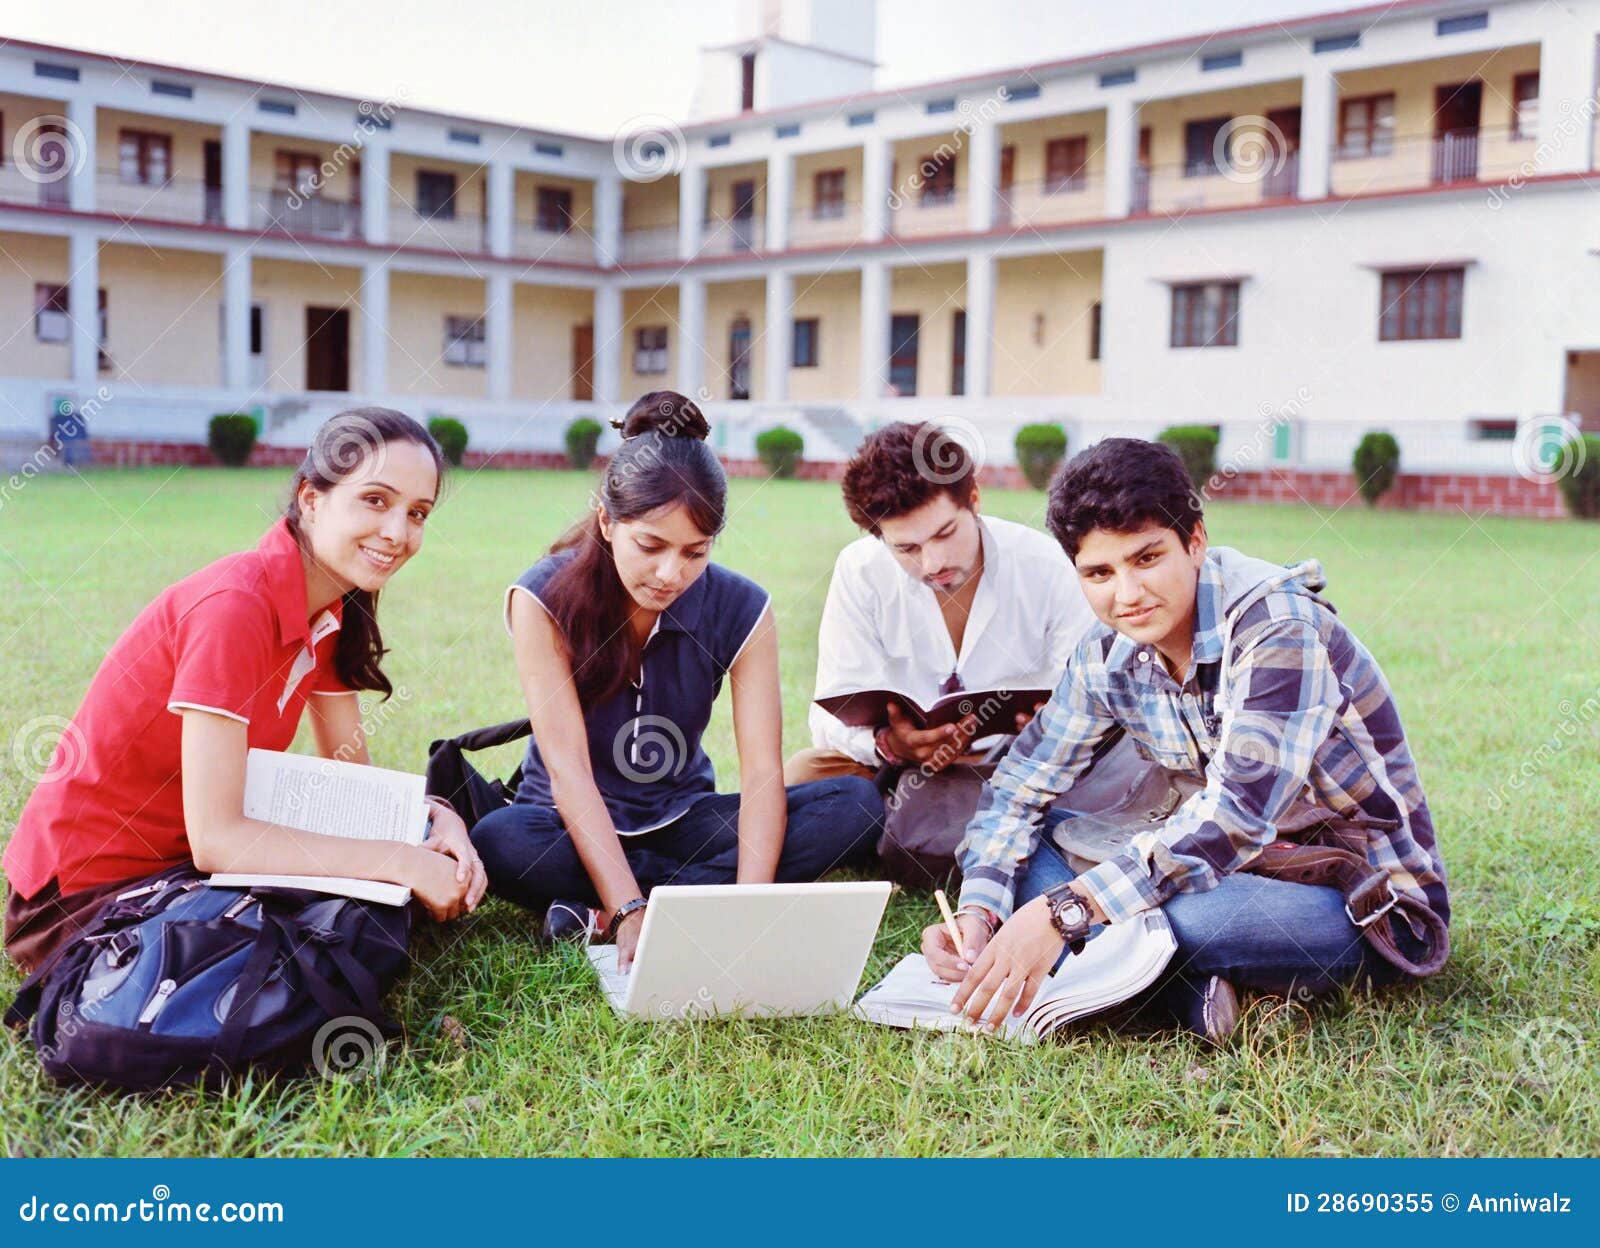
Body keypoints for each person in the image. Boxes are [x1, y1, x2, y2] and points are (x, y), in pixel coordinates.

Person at [922, 437, 1450, 1045]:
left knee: (1182, 914)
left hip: (1354, 895)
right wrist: (980, 912)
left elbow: (1235, 817)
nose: (1127, 595)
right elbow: (1019, 787)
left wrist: (1064, 911)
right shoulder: (1105, 652)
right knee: (1031, 844)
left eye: (1146, 559)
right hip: (1219, 869)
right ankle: (1193, 993)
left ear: (1194, 541)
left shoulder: (1278, 629)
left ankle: (1134, 968)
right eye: (1099, 573)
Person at [4, 409, 486, 976]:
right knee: (332, 938)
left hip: (184, 869)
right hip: (84, 898)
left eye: (417, 513)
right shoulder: (235, 606)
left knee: (358, 918)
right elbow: (218, 841)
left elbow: (351, 780)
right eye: (375, 500)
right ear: (311, 499)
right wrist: (399, 860)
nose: (398, 533)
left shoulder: (331, 610)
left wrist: (436, 821)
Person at [470, 391, 882, 968]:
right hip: (563, 823)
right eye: (651, 545)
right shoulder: (542, 597)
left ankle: (599, 911)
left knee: (855, 805)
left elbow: (762, 775)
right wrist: (629, 910)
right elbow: (567, 771)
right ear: (607, 522)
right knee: (500, 839)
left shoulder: (744, 608)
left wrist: (747, 908)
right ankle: (647, 900)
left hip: (681, 818)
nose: (671, 573)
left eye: (695, 552)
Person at [784, 420, 1142, 886]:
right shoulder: (860, 570)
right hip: (898, 770)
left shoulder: (1045, 565)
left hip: (1016, 769)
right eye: (906, 548)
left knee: (1124, 770)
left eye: (944, 533)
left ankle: (908, 836)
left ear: (973, 499)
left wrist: (1047, 728)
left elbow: (1093, 699)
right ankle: (931, 831)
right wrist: (890, 744)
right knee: (805, 774)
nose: (932, 563)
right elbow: (830, 715)